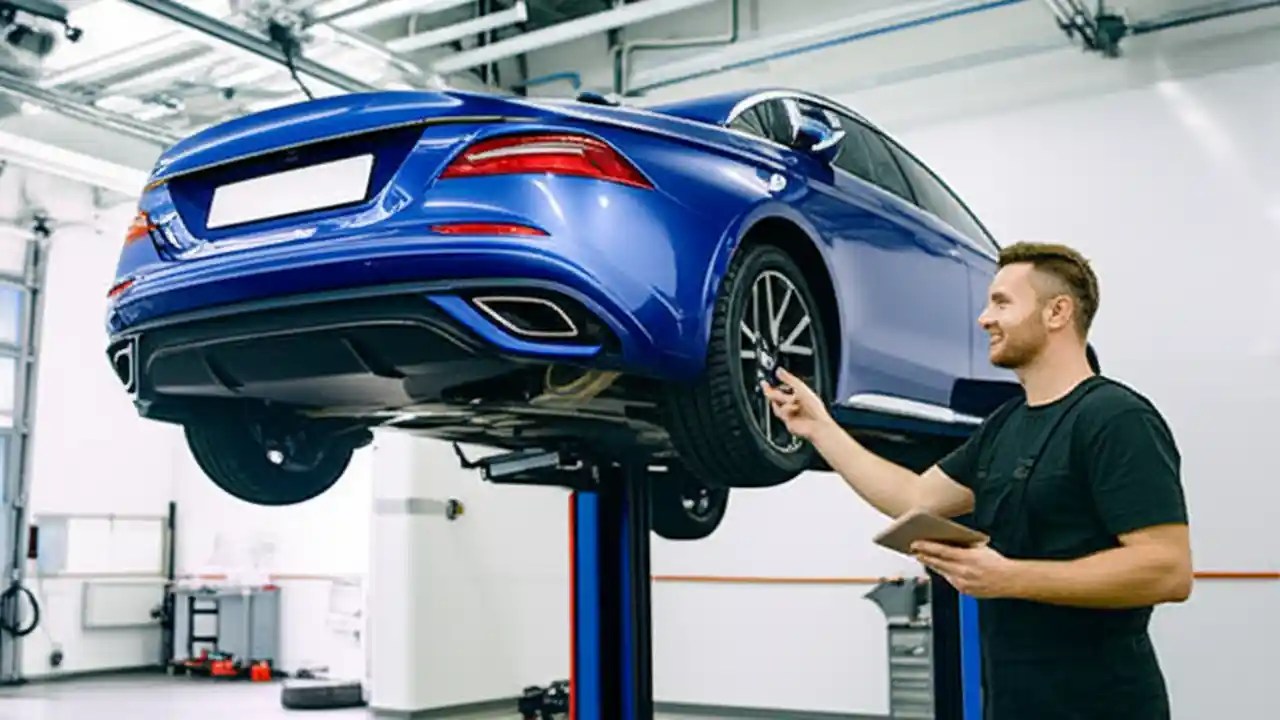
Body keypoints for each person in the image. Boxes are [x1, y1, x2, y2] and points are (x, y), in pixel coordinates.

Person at [762, 241, 1192, 720]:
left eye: (1002, 303)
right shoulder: (1003, 427)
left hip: (1103, 705)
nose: (984, 318)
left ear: (1058, 312)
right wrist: (819, 427)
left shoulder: (1115, 418)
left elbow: (1168, 570)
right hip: (1011, 701)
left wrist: (1009, 576)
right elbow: (914, 497)